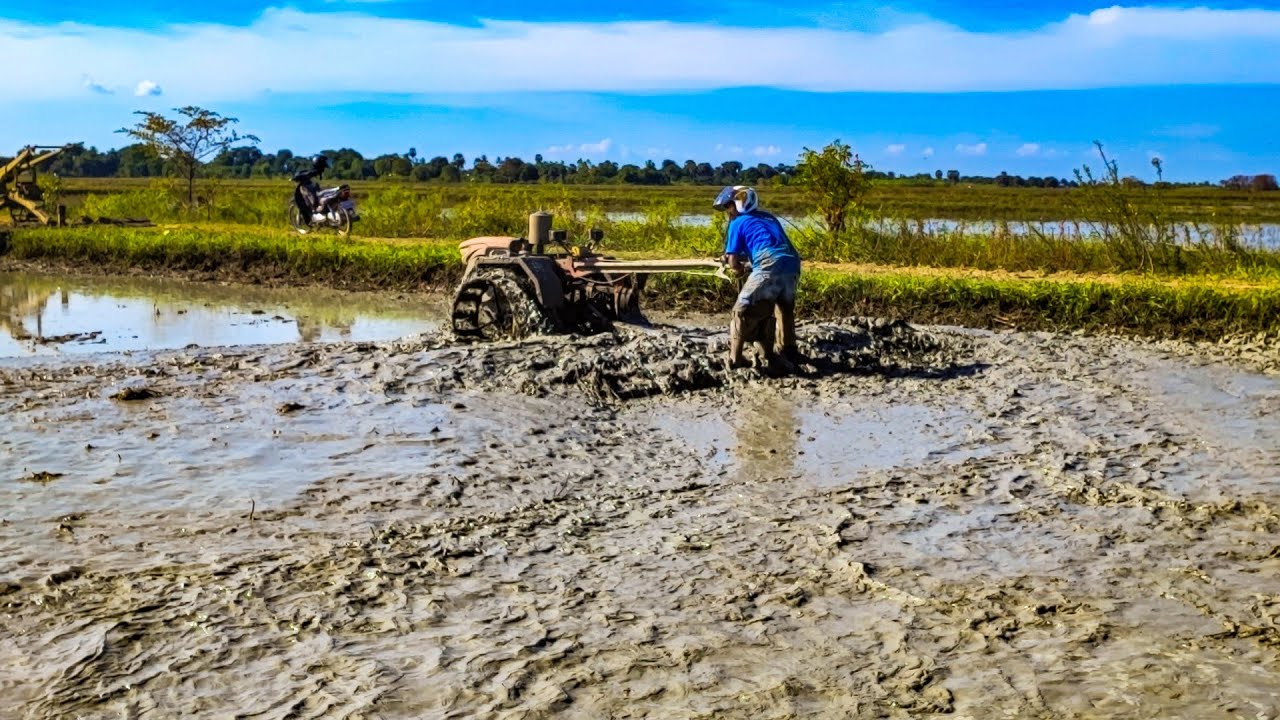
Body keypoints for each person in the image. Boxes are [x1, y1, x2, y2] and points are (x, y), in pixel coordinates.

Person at [714, 185, 802, 368]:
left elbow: (733, 263)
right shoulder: (769, 217)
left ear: (738, 205)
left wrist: (739, 269)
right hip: (792, 262)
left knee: (740, 311)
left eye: (728, 207)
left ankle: (735, 359)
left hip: (768, 265)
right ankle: (788, 351)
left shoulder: (737, 223)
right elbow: (768, 244)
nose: (727, 211)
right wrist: (750, 263)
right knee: (784, 308)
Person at [291, 155, 330, 224]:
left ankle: (315, 213)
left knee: (312, 199)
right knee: (314, 198)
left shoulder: (313, 171)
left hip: (309, 186)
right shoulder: (316, 171)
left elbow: (305, 174)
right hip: (312, 186)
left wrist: (295, 178)